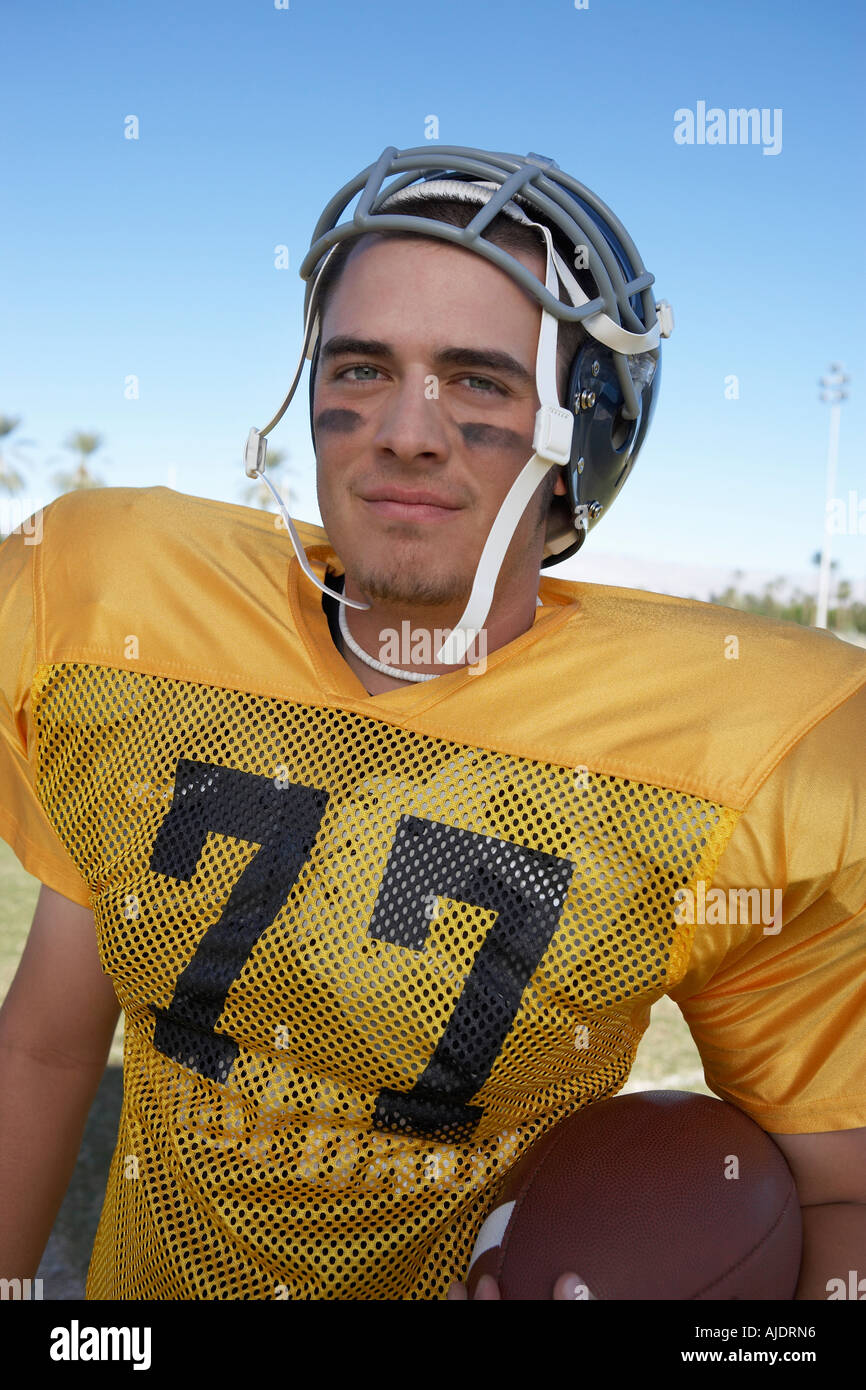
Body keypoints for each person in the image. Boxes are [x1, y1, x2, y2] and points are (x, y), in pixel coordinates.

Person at [0, 144, 863, 1302]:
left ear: (582, 437)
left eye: (476, 380)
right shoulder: (125, 610)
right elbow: (45, 1041)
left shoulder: (752, 748)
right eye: (362, 366)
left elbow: (836, 1192)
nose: (404, 429)